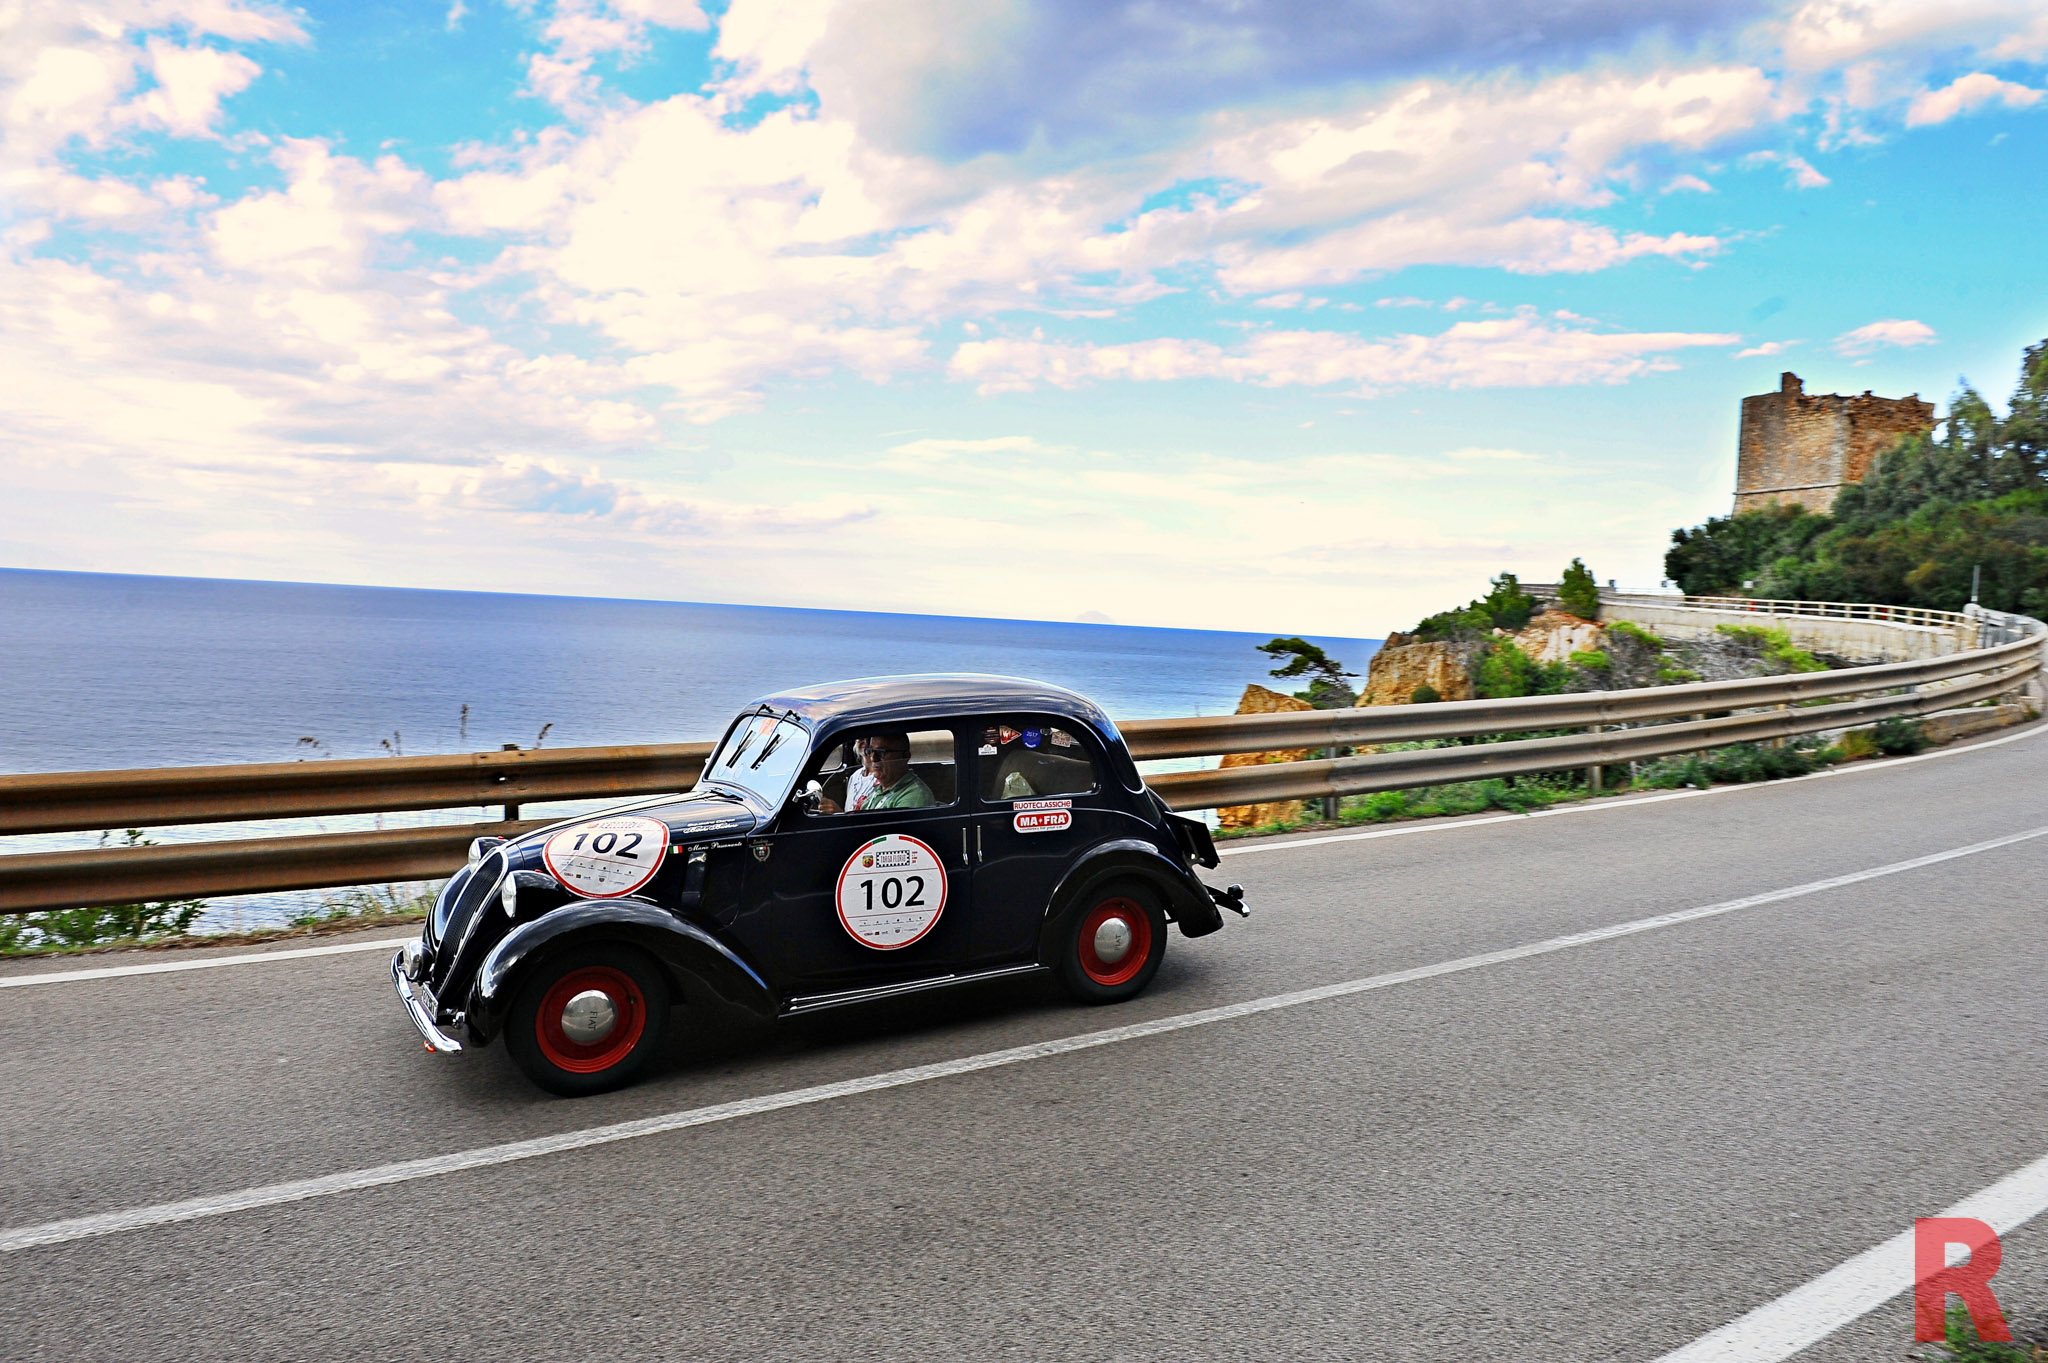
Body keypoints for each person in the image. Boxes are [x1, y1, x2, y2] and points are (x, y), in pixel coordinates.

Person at [850, 731, 934, 811]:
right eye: (871, 751)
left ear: (905, 756)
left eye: (881, 752)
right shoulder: (880, 789)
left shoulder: (914, 796)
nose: (873, 758)